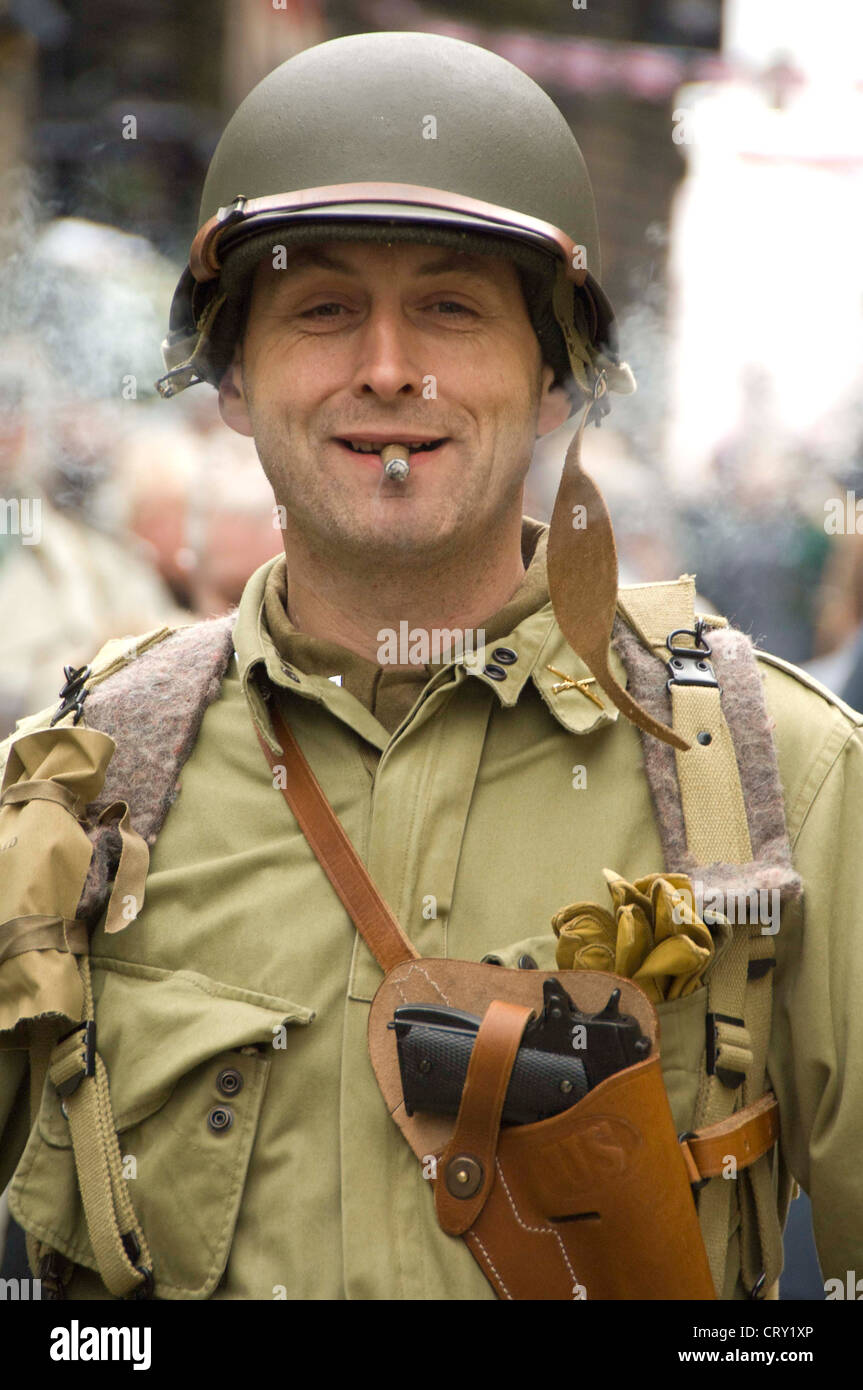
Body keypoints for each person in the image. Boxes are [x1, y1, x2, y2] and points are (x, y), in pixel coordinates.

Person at [1, 31, 861, 1303]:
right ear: (232, 379)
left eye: (451, 307)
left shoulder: (776, 780)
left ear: (557, 375)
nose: (387, 366)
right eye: (322, 307)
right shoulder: (79, 787)